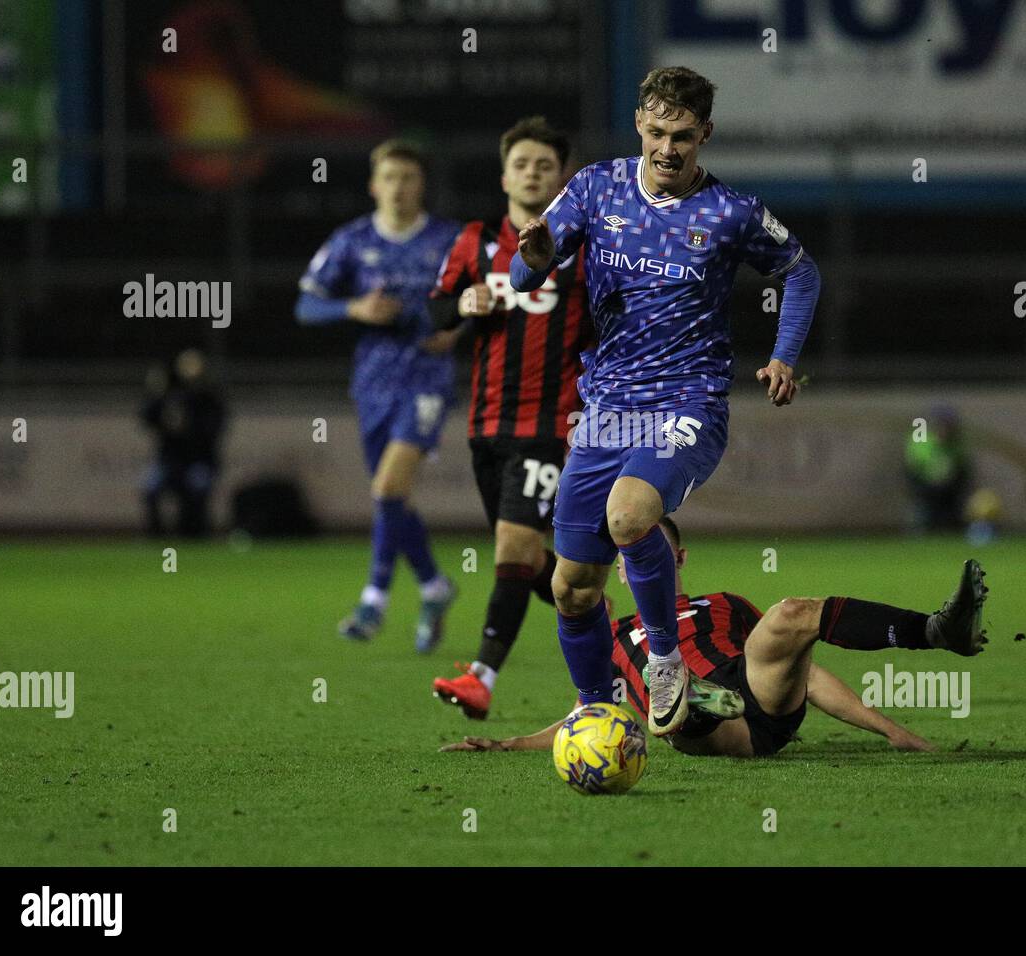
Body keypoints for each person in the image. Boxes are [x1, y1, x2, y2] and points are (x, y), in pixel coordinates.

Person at [510, 66, 822, 736]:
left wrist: (784, 355)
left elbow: (801, 269)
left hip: (688, 401)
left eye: (682, 134)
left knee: (629, 518)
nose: (668, 147)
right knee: (571, 588)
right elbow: (524, 268)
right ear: (639, 126)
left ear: (704, 133)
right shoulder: (597, 188)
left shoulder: (732, 212)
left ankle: (664, 661)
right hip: (607, 409)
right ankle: (597, 707)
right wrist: (532, 257)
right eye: (656, 131)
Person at [442, 518, 989, 758]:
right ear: (624, 569)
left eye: (654, 550)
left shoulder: (724, 605)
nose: (643, 561)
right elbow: (587, 716)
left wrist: (893, 732)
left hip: (759, 691)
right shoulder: (611, 637)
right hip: (716, 734)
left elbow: (809, 673)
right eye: (634, 556)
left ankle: (935, 630)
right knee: (675, 706)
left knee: (792, 613)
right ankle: (684, 700)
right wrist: (508, 743)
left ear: (677, 558)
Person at [426, 117, 594, 719]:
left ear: (562, 178)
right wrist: (463, 303)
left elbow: (609, 323)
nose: (532, 173)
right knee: (524, 562)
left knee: (515, 546)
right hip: (486, 427)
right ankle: (621, 630)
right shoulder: (474, 242)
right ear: (504, 175)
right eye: (522, 164)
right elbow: (439, 310)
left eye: (544, 165)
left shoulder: (583, 245)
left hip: (551, 426)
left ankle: (482, 677)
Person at [295, 139, 461, 650]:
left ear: (421, 185)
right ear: (374, 185)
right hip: (374, 383)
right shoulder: (351, 241)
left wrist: (459, 330)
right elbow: (306, 305)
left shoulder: (450, 241)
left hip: (429, 379)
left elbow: (489, 299)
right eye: (389, 177)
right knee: (392, 496)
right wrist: (353, 309)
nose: (398, 187)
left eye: (408, 178)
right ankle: (434, 586)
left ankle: (374, 600)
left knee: (388, 487)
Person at [140, 348, 227, 537]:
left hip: (199, 460)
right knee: (150, 489)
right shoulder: (169, 396)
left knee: (196, 490)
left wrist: (190, 429)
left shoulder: (209, 398)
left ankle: (195, 533)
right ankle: (157, 536)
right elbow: (147, 419)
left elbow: (215, 428)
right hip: (170, 461)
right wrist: (155, 395)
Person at [905, 404, 974, 533]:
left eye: (948, 425)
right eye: (942, 425)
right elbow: (913, 468)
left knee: (952, 520)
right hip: (926, 489)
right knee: (923, 515)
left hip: (949, 491)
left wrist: (949, 482)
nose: (945, 429)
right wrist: (930, 483)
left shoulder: (956, 445)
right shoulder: (921, 441)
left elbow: (961, 469)